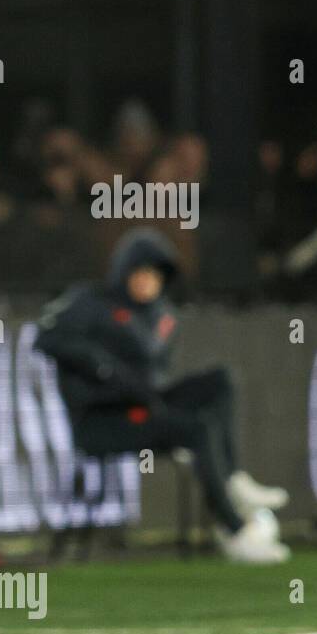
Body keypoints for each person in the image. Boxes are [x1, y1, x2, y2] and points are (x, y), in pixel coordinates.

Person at [35, 227, 291, 564]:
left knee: (220, 382)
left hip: (146, 405)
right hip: (103, 419)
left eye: (155, 275)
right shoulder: (90, 302)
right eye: (140, 272)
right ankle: (235, 531)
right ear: (124, 271)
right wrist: (103, 368)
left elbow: (153, 378)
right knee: (197, 428)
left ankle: (233, 481)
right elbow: (46, 338)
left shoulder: (161, 315)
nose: (147, 282)